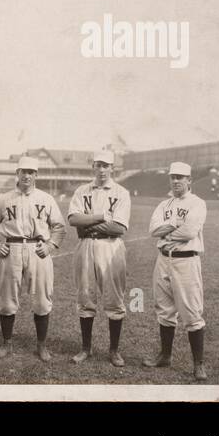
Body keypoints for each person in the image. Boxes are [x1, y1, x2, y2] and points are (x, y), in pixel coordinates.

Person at [0, 156, 66, 361]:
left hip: (37, 249)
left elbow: (59, 226)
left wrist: (50, 246)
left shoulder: (46, 198)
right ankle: (6, 344)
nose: (27, 175)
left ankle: (41, 345)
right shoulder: (4, 198)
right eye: (23, 171)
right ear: (17, 173)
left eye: (31, 172)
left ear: (36, 175)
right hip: (11, 248)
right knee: (6, 301)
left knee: (42, 300)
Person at [144, 162, 209, 381]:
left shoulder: (197, 203)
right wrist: (174, 224)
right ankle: (165, 356)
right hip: (163, 260)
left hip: (186, 261)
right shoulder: (164, 204)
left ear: (189, 180)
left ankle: (198, 364)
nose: (176, 181)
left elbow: (190, 231)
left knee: (192, 313)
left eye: (180, 177)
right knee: (164, 309)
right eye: (173, 177)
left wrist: (167, 232)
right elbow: (153, 230)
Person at [66, 150, 131, 367]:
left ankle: (114, 350)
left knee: (114, 299)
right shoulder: (82, 190)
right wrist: (101, 217)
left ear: (112, 168)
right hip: (85, 247)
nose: (102, 170)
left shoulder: (121, 192)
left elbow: (119, 227)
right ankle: (86, 348)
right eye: (98, 165)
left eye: (106, 165)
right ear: (92, 166)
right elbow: (73, 219)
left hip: (111, 246)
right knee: (85, 295)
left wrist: (88, 224)